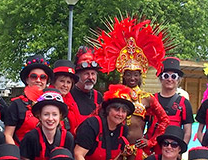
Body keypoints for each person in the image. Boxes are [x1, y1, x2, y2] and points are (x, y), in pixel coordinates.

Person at [93, 16, 170, 148]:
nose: (132, 78)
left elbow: (164, 120)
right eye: (128, 75)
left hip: (137, 148)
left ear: (141, 76)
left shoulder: (148, 98)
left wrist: (151, 141)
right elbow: (97, 115)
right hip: (114, 147)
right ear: (123, 76)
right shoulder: (114, 95)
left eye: (135, 75)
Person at [18, 88, 75, 160]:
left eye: (54, 114)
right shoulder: (30, 137)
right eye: (46, 114)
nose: (50, 118)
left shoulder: (68, 138)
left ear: (60, 116)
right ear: (39, 116)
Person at [3, 55, 52, 145]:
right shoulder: (17, 105)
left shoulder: (52, 104)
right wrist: (15, 155)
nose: (38, 80)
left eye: (43, 77)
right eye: (33, 76)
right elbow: (8, 135)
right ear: (27, 79)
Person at [155, 57, 194, 144]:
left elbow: (187, 132)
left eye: (173, 76)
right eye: (166, 76)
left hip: (173, 149)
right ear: (161, 79)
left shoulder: (185, 103)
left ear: (178, 80)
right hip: (152, 150)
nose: (169, 79)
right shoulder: (151, 99)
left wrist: (180, 149)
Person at [70, 46, 103, 126]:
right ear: (78, 75)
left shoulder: (98, 96)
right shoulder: (69, 94)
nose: (90, 77)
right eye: (86, 74)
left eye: (93, 74)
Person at [51, 59, 79, 129]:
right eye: (62, 81)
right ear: (54, 82)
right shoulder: (49, 99)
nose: (65, 85)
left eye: (68, 82)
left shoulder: (70, 100)